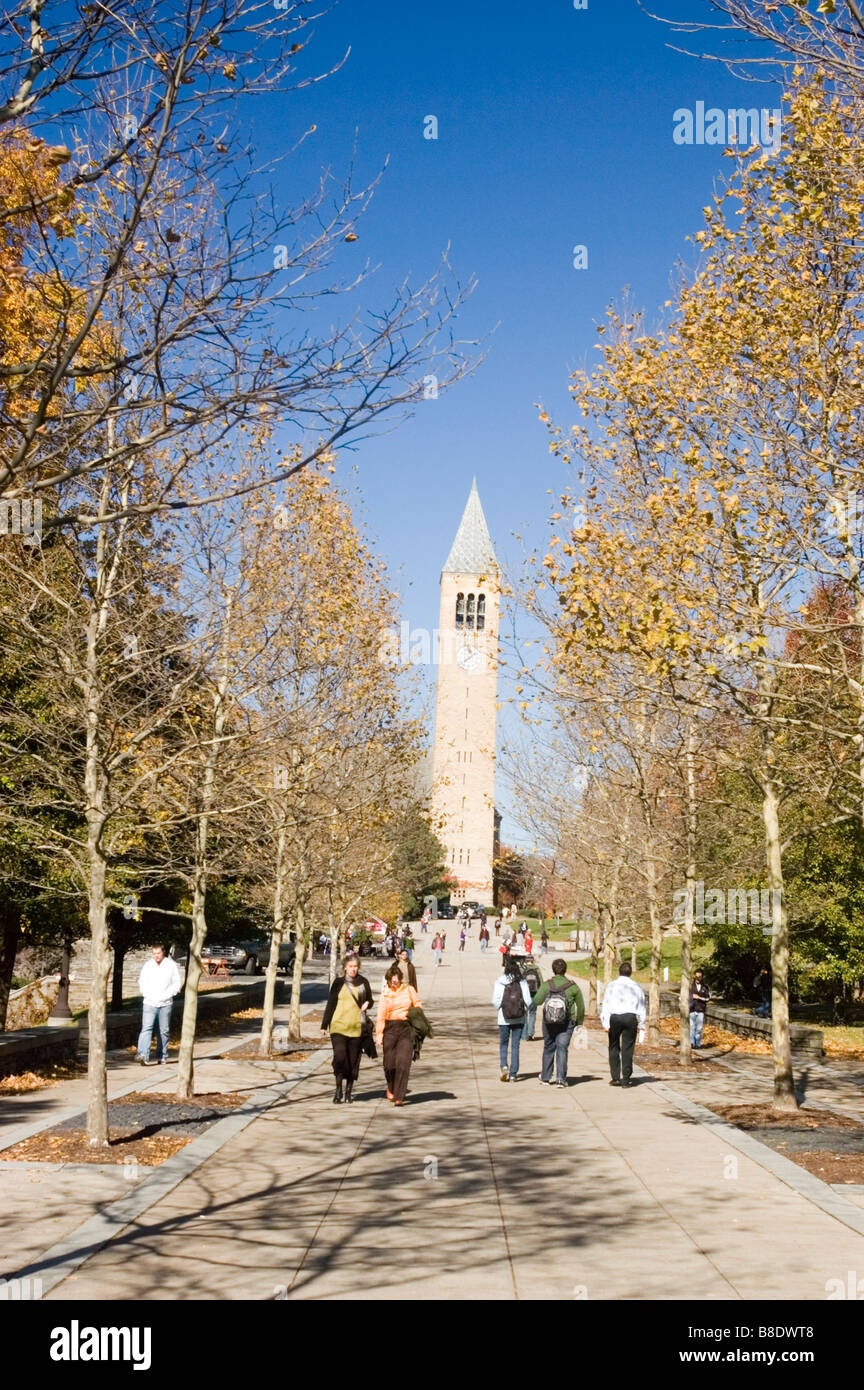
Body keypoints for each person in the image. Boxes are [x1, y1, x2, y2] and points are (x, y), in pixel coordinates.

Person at [320, 952, 374, 1103]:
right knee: (340, 1057)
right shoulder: (338, 983)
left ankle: (348, 1091)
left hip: (357, 1027)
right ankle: (338, 1089)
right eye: (350, 966)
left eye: (355, 966)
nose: (353, 969)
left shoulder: (364, 982)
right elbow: (330, 1004)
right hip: (338, 1026)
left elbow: (370, 999)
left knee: (352, 1061)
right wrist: (324, 1025)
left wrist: (367, 1004)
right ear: (344, 967)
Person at [532, 958, 585, 1086]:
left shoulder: (547, 985)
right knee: (562, 1048)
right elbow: (581, 1007)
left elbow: (537, 1001)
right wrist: (579, 1023)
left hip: (548, 1022)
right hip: (567, 1022)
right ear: (565, 970)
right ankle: (561, 1079)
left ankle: (545, 1077)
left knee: (549, 1047)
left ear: (553, 969)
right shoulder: (573, 987)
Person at [375, 963, 421, 1105]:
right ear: (388, 980)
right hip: (390, 1028)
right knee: (389, 1064)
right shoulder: (385, 992)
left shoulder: (409, 990)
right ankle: (391, 1087)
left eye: (396, 978)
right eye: (391, 979)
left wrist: (416, 1015)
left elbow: (418, 1004)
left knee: (403, 1062)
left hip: (406, 1028)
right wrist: (379, 1034)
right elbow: (380, 1015)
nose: (394, 981)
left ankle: (399, 1096)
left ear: (400, 978)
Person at [601, 961, 647, 1088]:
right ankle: (626, 1078)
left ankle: (615, 1077)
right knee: (628, 1048)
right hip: (630, 1017)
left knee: (614, 1046)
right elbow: (642, 1006)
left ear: (619, 972)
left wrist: (605, 1022)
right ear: (630, 973)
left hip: (615, 1017)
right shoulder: (636, 986)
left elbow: (606, 1004)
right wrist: (642, 1024)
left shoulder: (611, 985)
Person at [136, 944, 182, 1065]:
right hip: (149, 1002)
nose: (156, 956)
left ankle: (162, 1055)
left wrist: (169, 994)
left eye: (158, 953)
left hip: (165, 1003)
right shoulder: (148, 965)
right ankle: (143, 1055)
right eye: (154, 953)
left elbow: (176, 982)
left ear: (163, 953)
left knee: (164, 1031)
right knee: (146, 1028)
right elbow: (142, 981)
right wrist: (145, 993)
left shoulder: (170, 965)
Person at [492, 955, 532, 1081]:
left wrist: (501, 1008)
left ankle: (504, 1066)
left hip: (504, 1018)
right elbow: (528, 1001)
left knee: (503, 1044)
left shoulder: (500, 981)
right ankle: (514, 1073)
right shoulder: (522, 982)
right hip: (519, 1018)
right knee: (515, 1045)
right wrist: (523, 1010)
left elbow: (496, 1001)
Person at [689, 970, 710, 1048]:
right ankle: (691, 1043)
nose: (698, 978)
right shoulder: (690, 985)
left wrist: (699, 997)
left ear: (702, 977)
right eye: (696, 976)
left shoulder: (705, 987)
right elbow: (684, 996)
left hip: (701, 1009)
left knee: (699, 1028)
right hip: (691, 1008)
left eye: (699, 977)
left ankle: (697, 1044)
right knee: (691, 1027)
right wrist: (691, 997)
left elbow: (707, 998)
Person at [522, 958, 542, 1040]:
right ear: (533, 961)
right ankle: (531, 1034)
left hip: (524, 995)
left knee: (524, 1014)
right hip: (534, 994)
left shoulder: (523, 969)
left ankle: (524, 1035)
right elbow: (541, 982)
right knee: (533, 1013)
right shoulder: (537, 969)